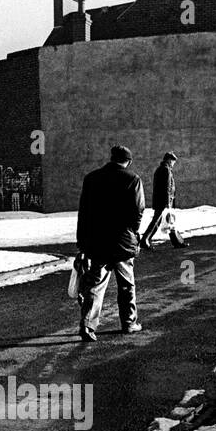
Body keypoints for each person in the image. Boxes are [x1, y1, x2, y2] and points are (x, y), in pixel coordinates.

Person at [75, 145, 145, 342]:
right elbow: (138, 211)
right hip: (122, 243)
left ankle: (88, 325)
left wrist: (82, 242)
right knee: (126, 285)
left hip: (97, 242)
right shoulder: (133, 179)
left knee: (95, 285)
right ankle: (129, 323)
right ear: (128, 161)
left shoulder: (91, 178)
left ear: (111, 158)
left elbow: (84, 213)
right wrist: (133, 233)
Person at [142, 153, 188, 250]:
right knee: (158, 221)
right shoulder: (166, 170)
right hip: (164, 201)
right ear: (169, 160)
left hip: (161, 200)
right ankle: (145, 240)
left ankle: (177, 242)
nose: (173, 164)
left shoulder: (160, 169)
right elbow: (167, 187)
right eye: (173, 162)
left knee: (167, 221)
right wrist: (168, 204)